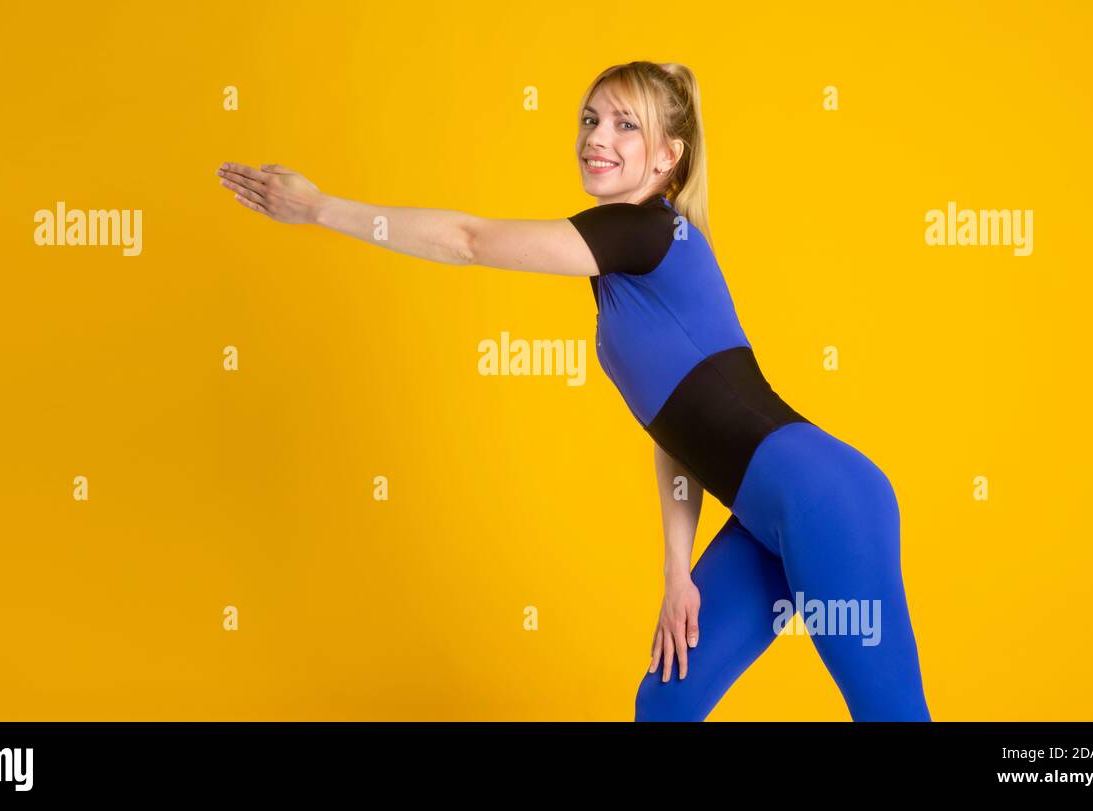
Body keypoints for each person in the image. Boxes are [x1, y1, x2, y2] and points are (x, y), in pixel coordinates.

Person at [216, 60, 932, 722]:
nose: (598, 137)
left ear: (667, 156)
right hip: (763, 519)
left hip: (826, 499)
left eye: (626, 125)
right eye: (591, 119)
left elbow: (468, 240)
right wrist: (677, 572)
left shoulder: (645, 231)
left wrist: (320, 209)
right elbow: (678, 433)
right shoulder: (626, 270)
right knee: (665, 706)